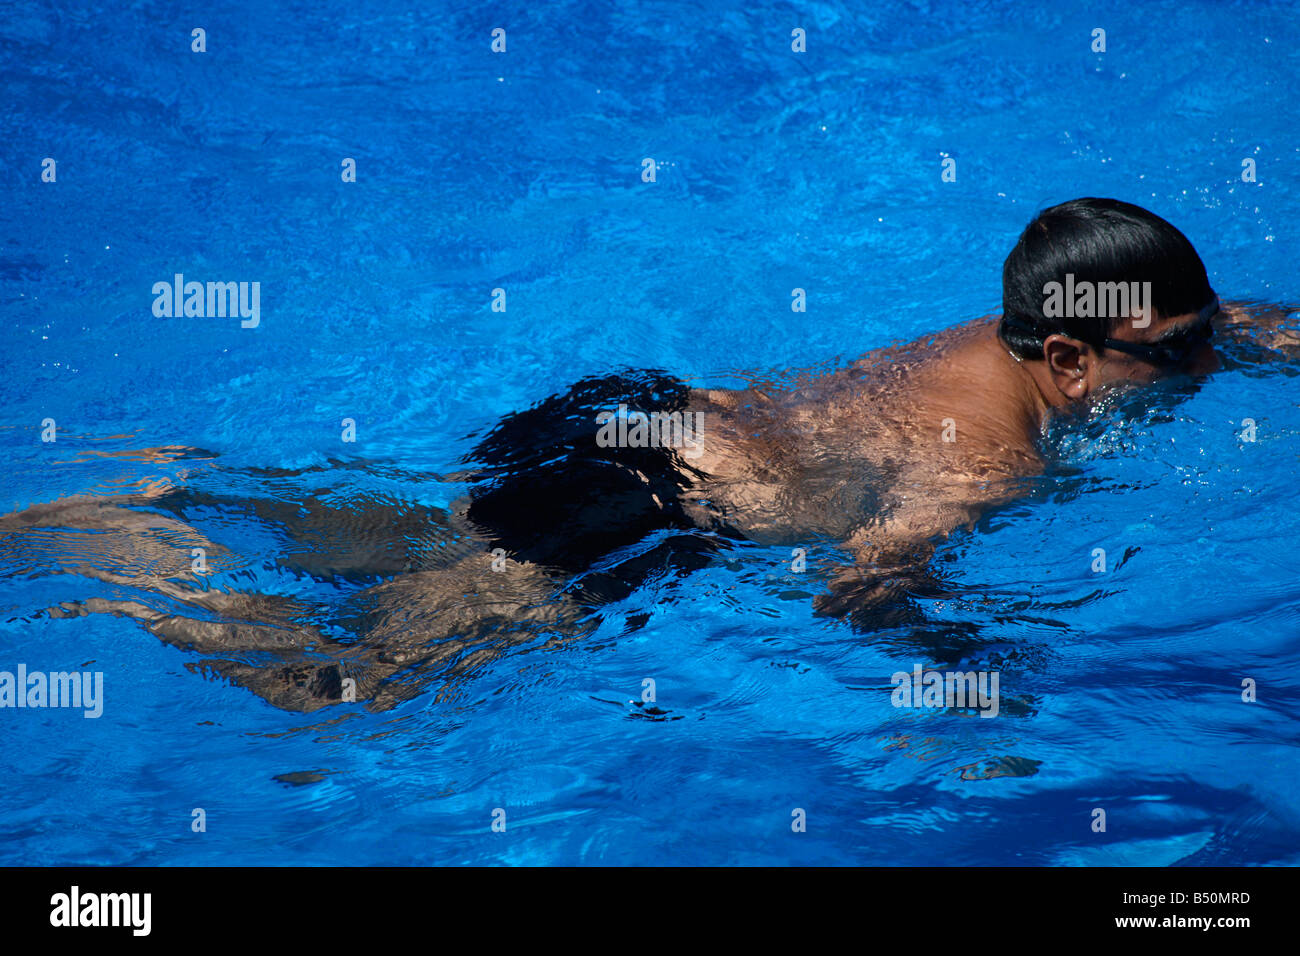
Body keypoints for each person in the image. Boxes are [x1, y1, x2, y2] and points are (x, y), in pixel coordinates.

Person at [6, 198, 1296, 710]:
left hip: (633, 414)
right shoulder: (994, 458)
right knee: (355, 692)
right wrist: (971, 671)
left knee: (433, 545)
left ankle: (186, 485)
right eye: (1174, 354)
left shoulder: (1041, 316)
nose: (1201, 366)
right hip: (648, 506)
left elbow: (1234, 322)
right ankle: (124, 560)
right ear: (1069, 362)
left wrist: (1248, 338)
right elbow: (858, 587)